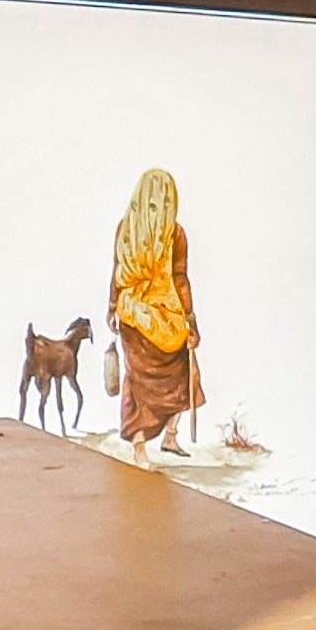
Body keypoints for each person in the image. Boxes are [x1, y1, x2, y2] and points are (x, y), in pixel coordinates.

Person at [108, 167, 206, 465]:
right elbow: (180, 279)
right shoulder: (174, 233)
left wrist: (113, 307)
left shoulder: (126, 226)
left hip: (131, 314)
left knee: (137, 381)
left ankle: (146, 447)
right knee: (182, 374)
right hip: (166, 321)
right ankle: (169, 436)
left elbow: (117, 271)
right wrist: (190, 320)